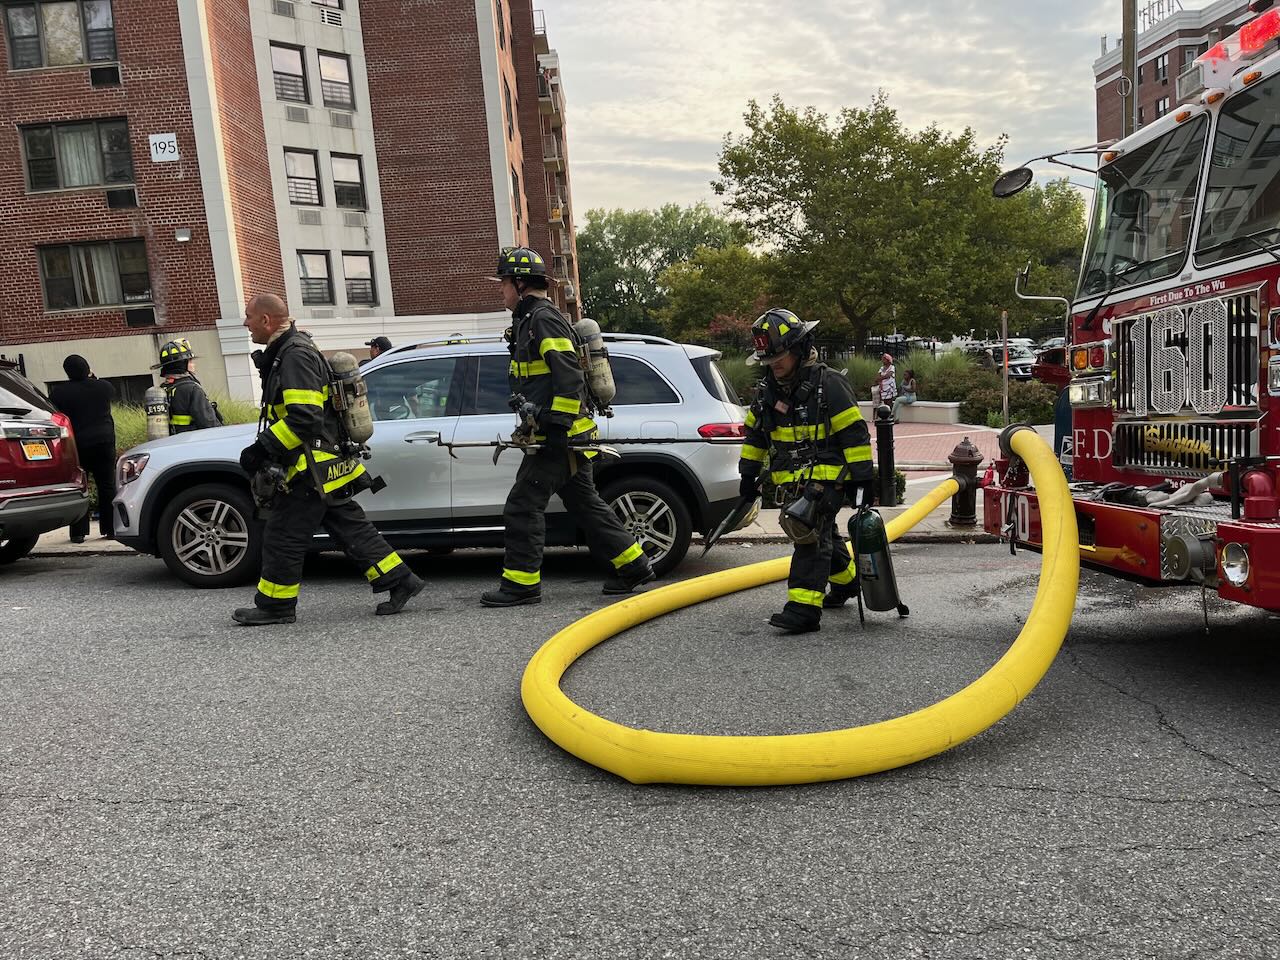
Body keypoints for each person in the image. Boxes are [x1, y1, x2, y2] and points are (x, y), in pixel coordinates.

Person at [233, 294, 425, 626]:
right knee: (350, 528)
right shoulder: (290, 352)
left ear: (266, 320)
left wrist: (261, 448)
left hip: (310, 468)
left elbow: (304, 418)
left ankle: (275, 606)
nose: (245, 323)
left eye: (248, 317)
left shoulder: (295, 357)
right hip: (323, 463)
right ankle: (401, 580)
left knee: (282, 535)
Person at [480, 246, 654, 607]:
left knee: (522, 505)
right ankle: (634, 565)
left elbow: (570, 376)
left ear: (520, 282)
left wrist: (556, 427)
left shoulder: (542, 319)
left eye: (503, 283)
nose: (501, 291)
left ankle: (521, 583)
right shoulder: (531, 319)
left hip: (563, 434)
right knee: (585, 503)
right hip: (563, 431)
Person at [739, 309, 875, 634]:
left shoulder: (829, 384)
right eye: (769, 359)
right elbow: (755, 435)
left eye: (781, 356)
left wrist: (862, 479)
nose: (775, 364)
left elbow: (854, 435)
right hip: (792, 481)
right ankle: (847, 582)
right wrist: (748, 475)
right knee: (825, 536)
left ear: (800, 348)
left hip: (827, 478)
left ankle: (803, 609)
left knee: (808, 536)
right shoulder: (768, 391)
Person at [49, 355, 116, 542]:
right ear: (88, 368)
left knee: (80, 486)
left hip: (78, 446)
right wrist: (92, 377)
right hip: (104, 443)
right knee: (107, 485)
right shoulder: (104, 387)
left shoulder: (59, 393)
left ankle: (78, 532)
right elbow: (110, 391)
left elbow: (54, 414)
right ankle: (110, 530)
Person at [156, 339, 220, 434]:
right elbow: (208, 423)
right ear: (182, 364)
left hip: (172, 442)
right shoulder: (192, 388)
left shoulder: (162, 389)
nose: (193, 365)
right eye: (190, 361)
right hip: (192, 442)